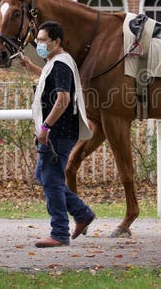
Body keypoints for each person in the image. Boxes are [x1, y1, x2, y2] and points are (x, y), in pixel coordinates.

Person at [19, 21, 96, 248]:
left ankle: (60, 232)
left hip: (58, 132)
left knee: (51, 180)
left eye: (43, 40)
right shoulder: (57, 62)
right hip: (59, 131)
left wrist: (46, 127)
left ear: (57, 41)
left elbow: (62, 99)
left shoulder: (61, 64)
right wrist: (31, 66)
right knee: (44, 176)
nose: (39, 44)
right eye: (38, 40)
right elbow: (49, 77)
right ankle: (81, 214)